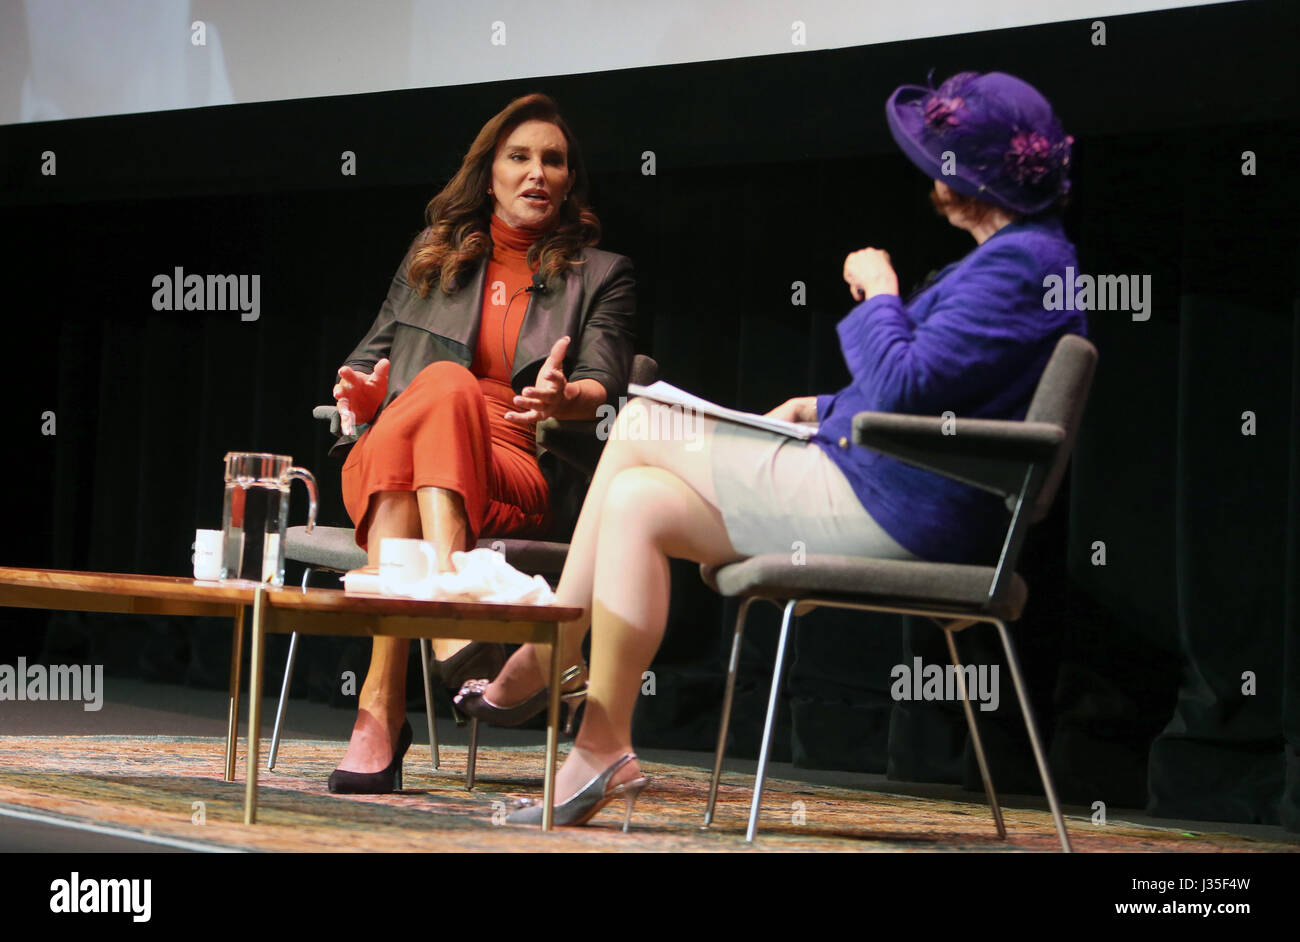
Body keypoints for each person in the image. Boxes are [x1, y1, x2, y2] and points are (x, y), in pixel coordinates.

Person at [456, 71, 1087, 827]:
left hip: (907, 512)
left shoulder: (1021, 266)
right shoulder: (1022, 258)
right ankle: (601, 744)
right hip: (896, 488)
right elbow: (949, 387)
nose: (927, 169)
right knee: (636, 501)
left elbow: (907, 382)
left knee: (639, 422)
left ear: (971, 174)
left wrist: (880, 290)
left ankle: (547, 650)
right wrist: (822, 407)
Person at [326, 93, 635, 793]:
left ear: (569, 179)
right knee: (439, 386)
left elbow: (605, 385)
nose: (536, 173)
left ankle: (380, 708)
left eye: (552, 160)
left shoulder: (603, 275)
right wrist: (366, 395)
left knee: (439, 400)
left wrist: (566, 399)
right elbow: (362, 363)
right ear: (488, 172)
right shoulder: (430, 258)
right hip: (392, 440)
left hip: (510, 463)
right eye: (519, 157)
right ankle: (453, 624)